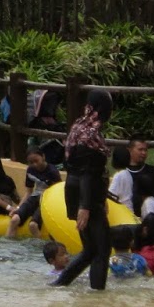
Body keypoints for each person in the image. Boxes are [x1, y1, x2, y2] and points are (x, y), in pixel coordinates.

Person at [54, 89, 115, 290]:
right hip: (86, 196)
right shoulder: (90, 135)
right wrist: (86, 206)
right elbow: (87, 172)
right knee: (102, 249)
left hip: (75, 192)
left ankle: (59, 284)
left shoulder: (78, 127)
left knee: (90, 249)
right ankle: (98, 295)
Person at [8, 144, 60, 237]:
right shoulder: (30, 170)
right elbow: (29, 192)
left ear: (43, 157)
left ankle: (40, 246)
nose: (34, 164)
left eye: (36, 161)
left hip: (46, 201)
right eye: (31, 162)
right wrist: (18, 208)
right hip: (35, 197)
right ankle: (7, 244)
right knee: (14, 220)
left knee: (33, 225)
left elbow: (58, 192)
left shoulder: (52, 171)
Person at [122, 139, 154, 217]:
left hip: (148, 214)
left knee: (149, 202)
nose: (144, 153)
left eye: (145, 150)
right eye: (140, 149)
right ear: (129, 150)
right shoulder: (122, 173)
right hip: (126, 214)